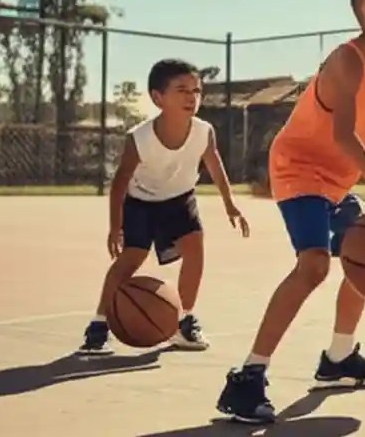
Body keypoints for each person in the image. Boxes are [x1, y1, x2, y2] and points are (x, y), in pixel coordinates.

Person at [216, 0, 365, 425]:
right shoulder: (347, 60)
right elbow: (346, 136)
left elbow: (351, 147)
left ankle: (339, 357)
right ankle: (248, 377)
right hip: (300, 170)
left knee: (361, 252)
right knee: (313, 265)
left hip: (335, 178)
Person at [78, 58, 249, 356]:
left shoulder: (204, 131)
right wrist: (115, 226)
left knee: (195, 246)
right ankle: (99, 325)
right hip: (141, 201)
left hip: (180, 197)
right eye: (182, 90)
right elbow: (119, 183)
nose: (191, 97)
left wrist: (230, 203)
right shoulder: (140, 138)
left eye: (196, 90)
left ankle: (184, 320)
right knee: (131, 258)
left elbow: (214, 163)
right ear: (158, 98)